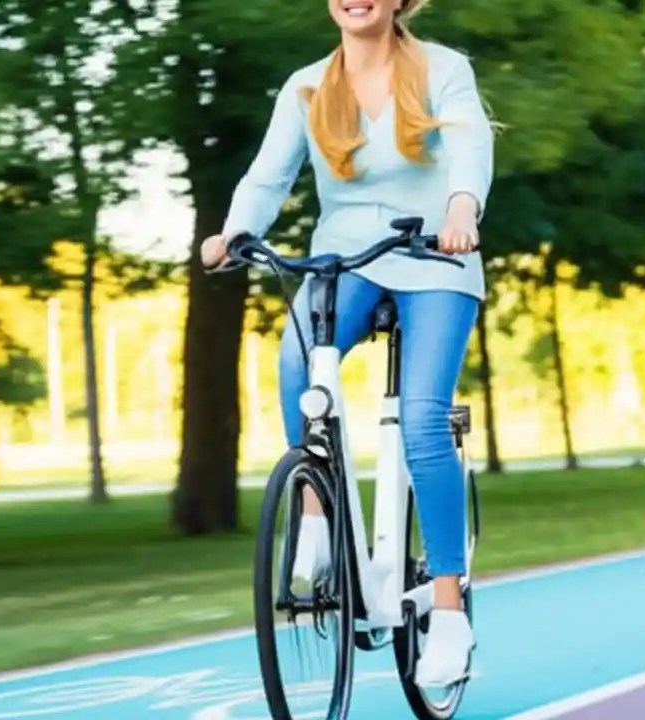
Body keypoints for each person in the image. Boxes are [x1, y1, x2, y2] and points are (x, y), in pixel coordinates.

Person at [199, 0, 493, 689]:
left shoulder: (443, 70)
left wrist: (460, 208)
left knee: (422, 421)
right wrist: (233, 231)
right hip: (346, 258)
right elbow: (267, 177)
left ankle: (448, 613)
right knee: (298, 358)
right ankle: (314, 519)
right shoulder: (306, 87)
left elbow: (471, 146)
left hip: (435, 259)